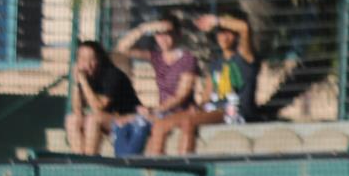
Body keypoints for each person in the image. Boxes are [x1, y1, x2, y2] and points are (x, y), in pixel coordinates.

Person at [146, 12, 256, 156]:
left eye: (229, 33)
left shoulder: (244, 57)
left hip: (233, 113)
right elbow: (207, 95)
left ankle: (184, 166)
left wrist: (216, 20)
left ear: (236, 37)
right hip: (212, 110)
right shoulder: (215, 64)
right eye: (220, 33)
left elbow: (244, 28)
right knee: (161, 125)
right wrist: (198, 106)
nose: (224, 37)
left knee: (188, 121)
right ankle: (154, 172)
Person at [114, 16, 199, 146]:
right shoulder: (156, 57)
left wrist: (155, 110)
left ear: (178, 34)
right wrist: (144, 28)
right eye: (159, 34)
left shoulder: (188, 59)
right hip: (161, 112)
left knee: (149, 126)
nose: (163, 38)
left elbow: (181, 95)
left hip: (181, 112)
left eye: (168, 33)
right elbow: (121, 49)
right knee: (121, 123)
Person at [64, 41, 146, 158]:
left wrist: (83, 81)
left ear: (100, 60)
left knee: (93, 119)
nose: (87, 64)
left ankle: (91, 161)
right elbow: (77, 110)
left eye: (91, 59)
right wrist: (76, 84)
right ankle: (80, 162)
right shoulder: (87, 77)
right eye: (82, 59)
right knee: (71, 119)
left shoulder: (112, 75)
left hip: (129, 118)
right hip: (108, 119)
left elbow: (98, 107)